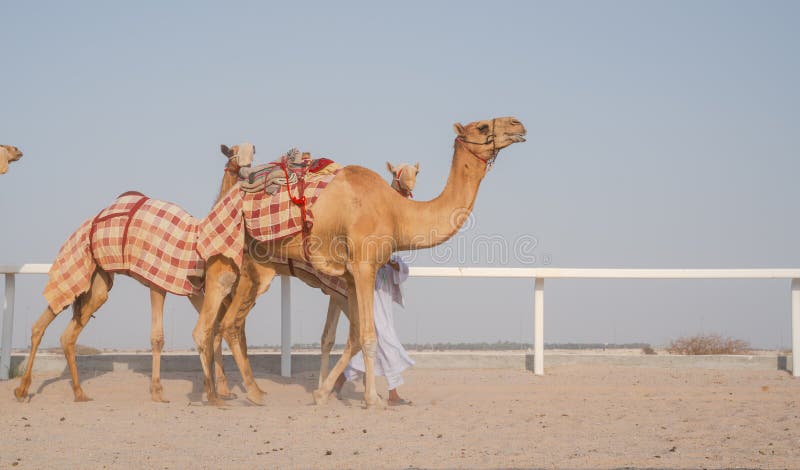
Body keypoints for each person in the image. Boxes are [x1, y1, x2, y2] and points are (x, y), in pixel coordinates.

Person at [333, 255, 414, 405]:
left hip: (385, 314)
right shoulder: (367, 261)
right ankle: (393, 395)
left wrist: (387, 260)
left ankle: (338, 382)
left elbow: (404, 271)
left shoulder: (392, 261)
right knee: (389, 348)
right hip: (371, 312)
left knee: (369, 353)